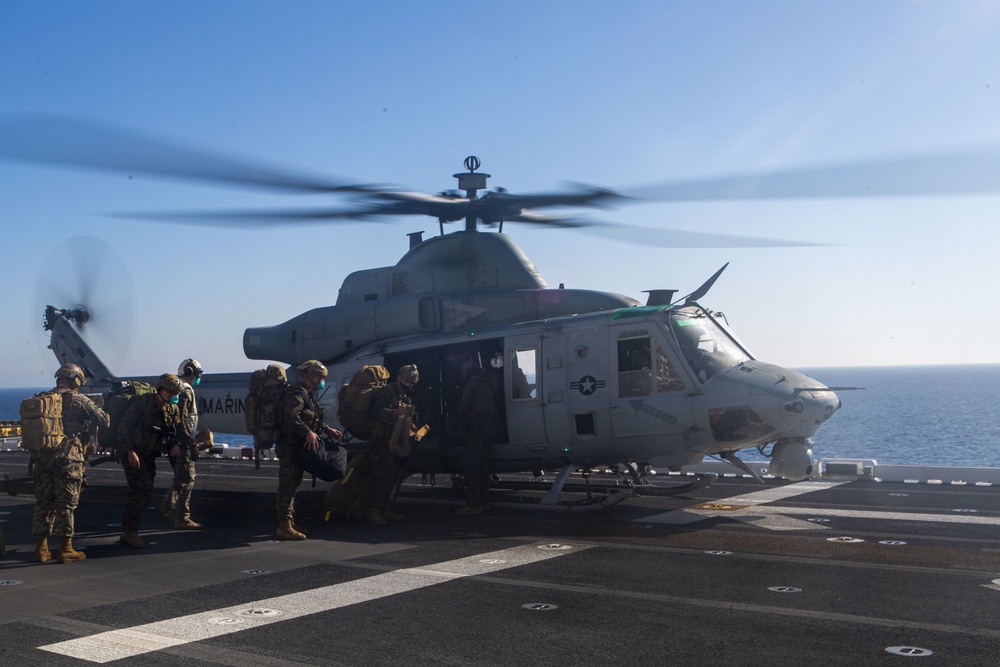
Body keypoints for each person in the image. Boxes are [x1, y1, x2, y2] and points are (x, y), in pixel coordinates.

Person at [32, 364, 109, 563]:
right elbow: (104, 420)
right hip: (69, 459)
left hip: (43, 460)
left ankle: (41, 549)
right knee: (66, 504)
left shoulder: (42, 398)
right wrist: (99, 405)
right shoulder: (78, 400)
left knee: (43, 503)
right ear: (75, 380)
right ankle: (66, 549)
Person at [275, 359, 343, 540]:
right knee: (287, 487)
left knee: (292, 486)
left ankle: (289, 522)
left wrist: (326, 429)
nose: (322, 381)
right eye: (320, 377)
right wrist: (307, 432)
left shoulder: (306, 394)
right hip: (290, 448)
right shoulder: (296, 395)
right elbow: (290, 416)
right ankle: (283, 525)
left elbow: (310, 417)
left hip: (297, 448)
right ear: (312, 376)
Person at [117, 373, 183, 549]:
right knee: (142, 492)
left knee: (142, 492)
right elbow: (123, 427)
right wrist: (130, 452)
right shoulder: (143, 403)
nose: (174, 397)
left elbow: (176, 430)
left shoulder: (170, 409)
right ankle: (129, 532)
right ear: (162, 391)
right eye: (171, 393)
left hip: (149, 455)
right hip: (134, 453)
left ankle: (128, 531)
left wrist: (176, 444)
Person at [364, 364, 419, 525]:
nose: (410, 385)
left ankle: (384, 509)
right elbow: (377, 413)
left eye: (412, 383)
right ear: (399, 377)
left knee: (393, 475)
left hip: (392, 440)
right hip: (381, 441)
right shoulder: (387, 392)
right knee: (382, 476)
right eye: (408, 381)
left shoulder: (402, 395)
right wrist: (396, 412)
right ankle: (374, 511)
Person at [159, 358, 203, 529]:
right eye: (197, 374)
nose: (198, 378)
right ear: (190, 373)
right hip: (183, 442)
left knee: (181, 477)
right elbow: (183, 420)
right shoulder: (185, 391)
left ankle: (167, 506)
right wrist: (188, 443)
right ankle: (182, 517)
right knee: (188, 478)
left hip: (178, 440)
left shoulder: (178, 389)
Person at [453, 361, 499, 516]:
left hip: (477, 426)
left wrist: (454, 425)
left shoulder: (471, 386)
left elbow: (463, 407)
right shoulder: (487, 385)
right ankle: (484, 502)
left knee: (471, 466)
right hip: (490, 426)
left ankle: (473, 505)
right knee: (484, 466)